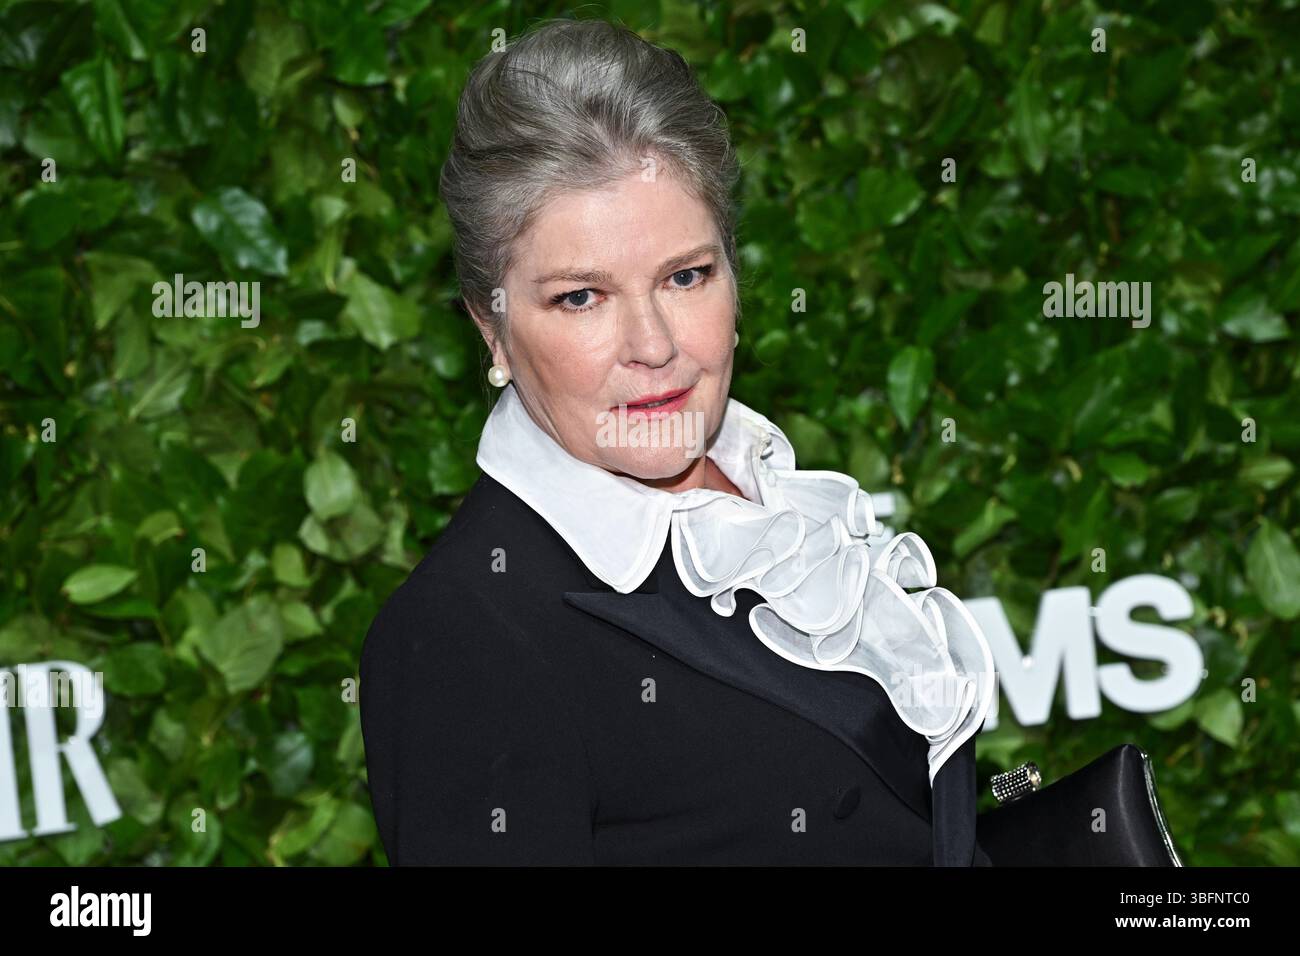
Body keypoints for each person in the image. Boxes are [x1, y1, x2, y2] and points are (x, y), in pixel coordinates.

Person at [359, 17, 997, 866]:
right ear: (493, 330)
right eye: (581, 298)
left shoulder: (786, 508)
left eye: (685, 276)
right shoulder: (463, 636)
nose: (653, 345)